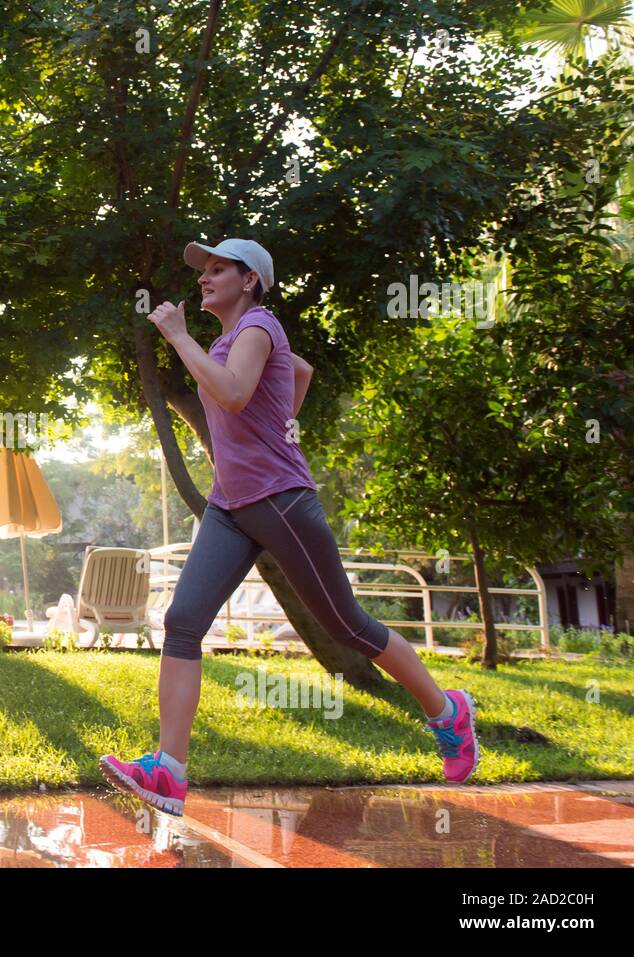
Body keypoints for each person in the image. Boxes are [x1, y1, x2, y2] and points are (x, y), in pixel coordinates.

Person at [98, 238, 478, 817]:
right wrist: (283, 417)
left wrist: (177, 335)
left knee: (347, 626)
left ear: (249, 279)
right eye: (205, 269)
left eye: (219, 268)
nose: (205, 277)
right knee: (182, 621)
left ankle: (447, 711)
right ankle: (168, 771)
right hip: (231, 505)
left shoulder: (256, 326)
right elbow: (299, 371)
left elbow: (230, 393)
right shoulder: (234, 338)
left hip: (279, 500)